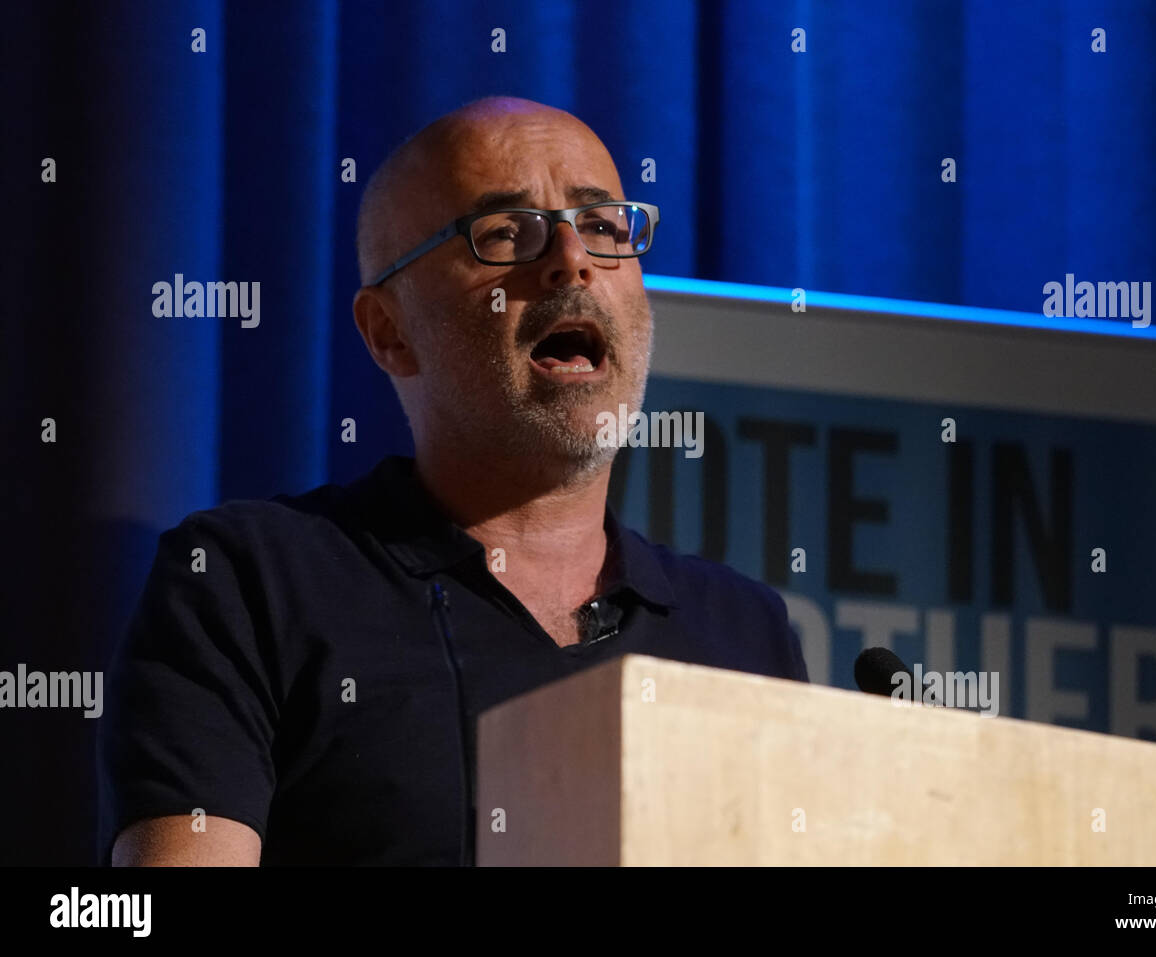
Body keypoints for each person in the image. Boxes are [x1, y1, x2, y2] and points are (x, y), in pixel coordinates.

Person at [98, 96, 809, 866]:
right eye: (505, 232)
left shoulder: (744, 631)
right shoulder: (248, 581)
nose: (572, 259)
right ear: (389, 331)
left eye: (604, 227)